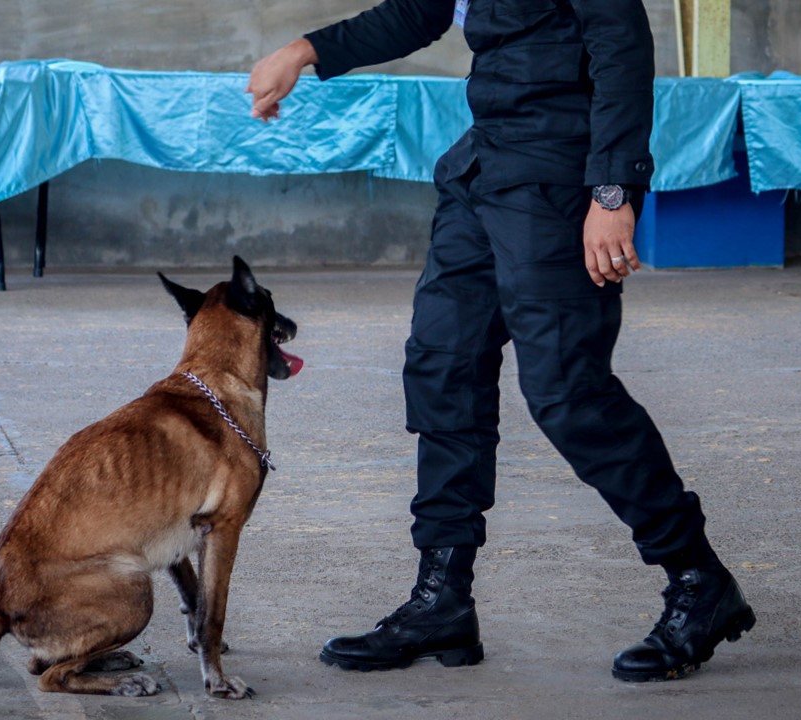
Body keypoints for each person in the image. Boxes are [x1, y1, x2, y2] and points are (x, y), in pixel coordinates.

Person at [246, 0, 754, 682]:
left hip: (557, 180)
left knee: (568, 392)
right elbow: (419, 11)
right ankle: (442, 599)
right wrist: (302, 51)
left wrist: (612, 192)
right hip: (482, 171)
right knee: (443, 369)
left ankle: (698, 579)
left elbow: (621, 47)